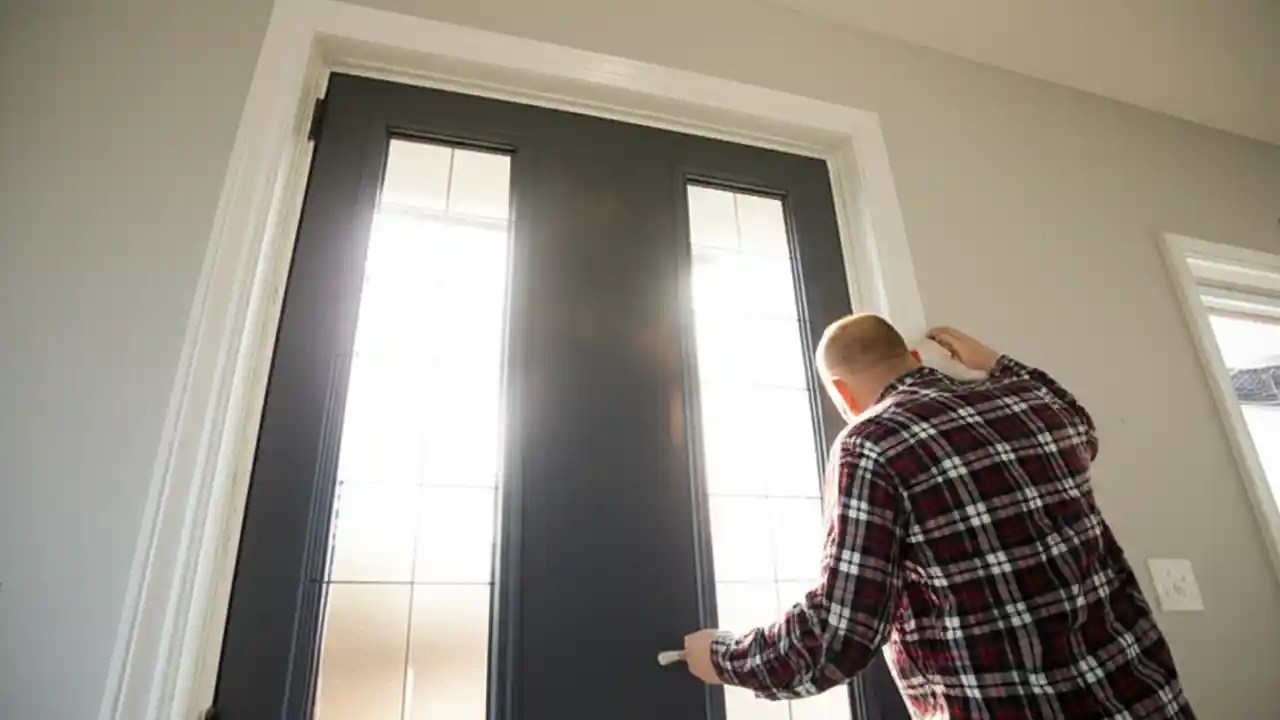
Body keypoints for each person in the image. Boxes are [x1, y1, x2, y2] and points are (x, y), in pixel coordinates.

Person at [683, 315, 1194, 719]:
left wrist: (723, 657)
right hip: (1145, 697)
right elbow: (1081, 423)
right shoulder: (1034, 404)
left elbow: (841, 633)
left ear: (841, 392)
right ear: (910, 358)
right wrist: (996, 362)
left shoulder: (870, 445)